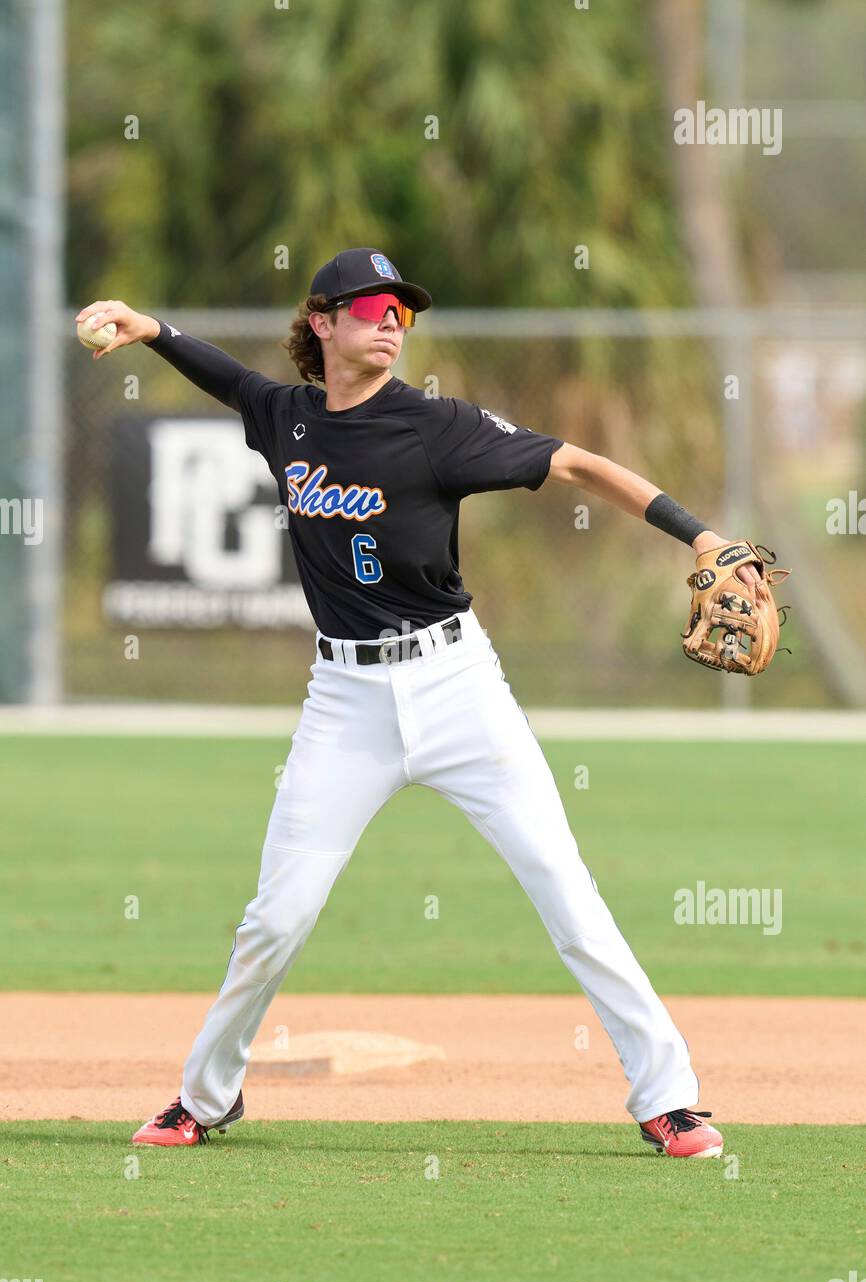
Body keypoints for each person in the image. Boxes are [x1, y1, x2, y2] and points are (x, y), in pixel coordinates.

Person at [77, 247, 757, 1158]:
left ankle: (668, 1098)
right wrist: (149, 327)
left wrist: (701, 533)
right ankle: (205, 1097)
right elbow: (227, 377)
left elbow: (577, 464)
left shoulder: (438, 426)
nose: (392, 321)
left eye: (403, 310)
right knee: (277, 916)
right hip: (344, 699)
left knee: (564, 887)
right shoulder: (285, 417)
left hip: (457, 686)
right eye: (370, 307)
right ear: (322, 323)